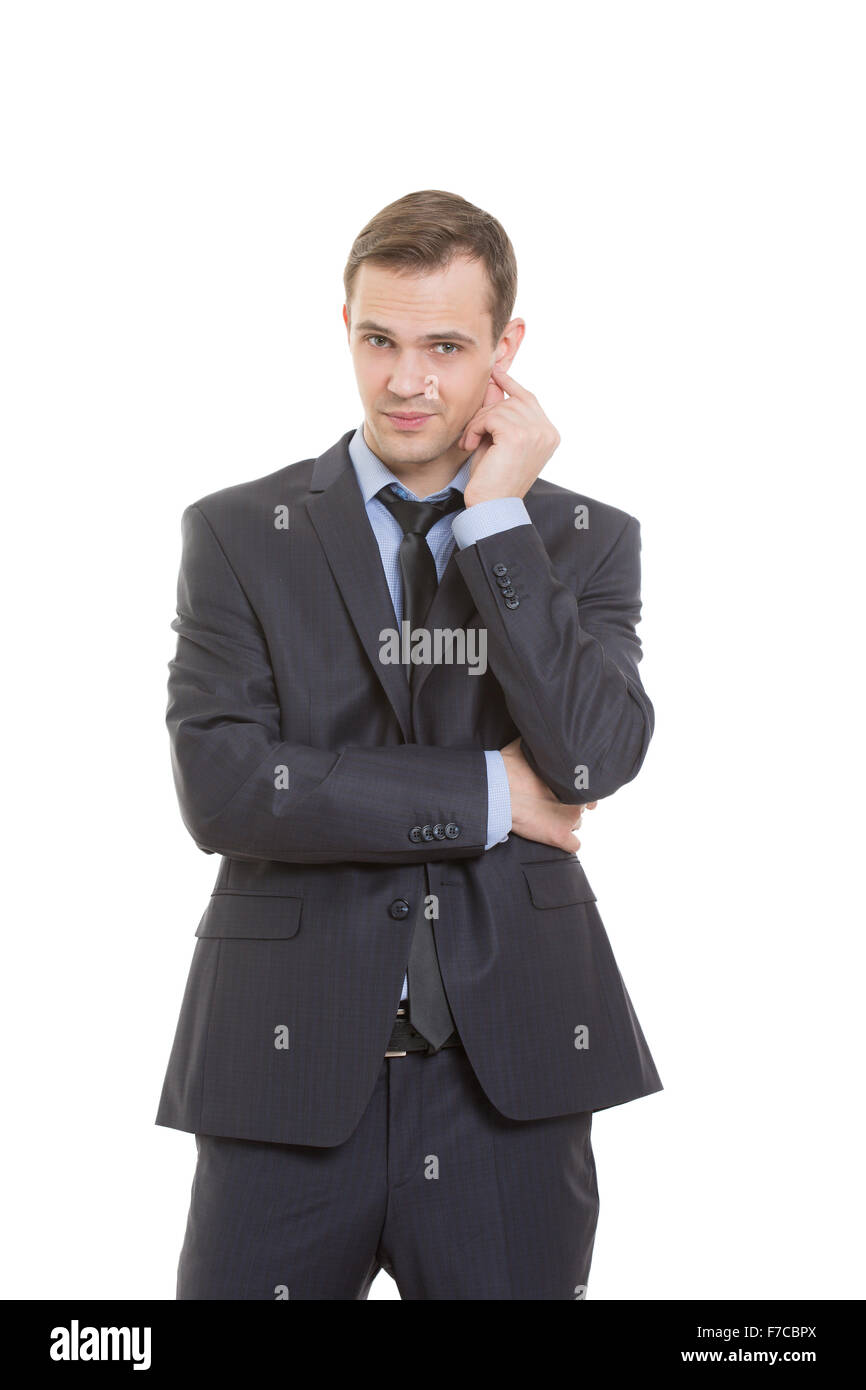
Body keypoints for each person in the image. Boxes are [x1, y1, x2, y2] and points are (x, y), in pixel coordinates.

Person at [155, 188, 662, 1300]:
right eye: (377, 339)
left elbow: (588, 760)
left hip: (506, 1088)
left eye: (445, 345)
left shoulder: (582, 540)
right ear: (345, 327)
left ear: (505, 348)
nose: (405, 380)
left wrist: (495, 520)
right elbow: (226, 788)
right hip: (281, 1081)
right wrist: (489, 791)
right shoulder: (239, 534)